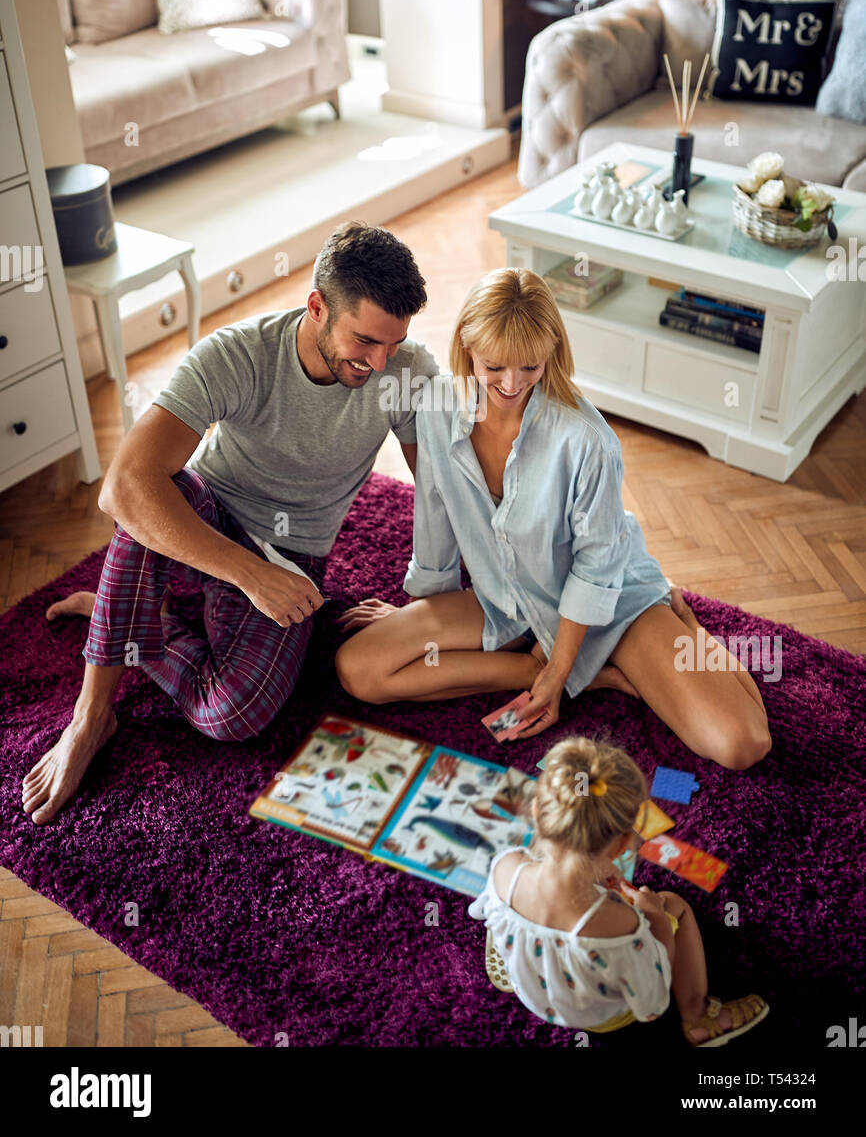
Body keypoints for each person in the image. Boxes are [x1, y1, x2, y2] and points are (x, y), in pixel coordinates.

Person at [22, 224, 437, 825]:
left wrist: (419, 611)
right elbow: (122, 487)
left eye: (393, 344)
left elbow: (440, 498)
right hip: (209, 515)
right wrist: (247, 574)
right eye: (365, 341)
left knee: (232, 714)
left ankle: (130, 614)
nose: (378, 363)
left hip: (292, 554)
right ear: (317, 306)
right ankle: (92, 717)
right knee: (150, 497)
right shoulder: (238, 353)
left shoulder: (404, 372)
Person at [335, 267, 772, 770]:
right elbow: (435, 512)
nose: (512, 383)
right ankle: (557, 670)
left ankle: (679, 627)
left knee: (741, 744)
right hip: (503, 600)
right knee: (359, 669)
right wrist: (420, 615)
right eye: (495, 366)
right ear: (466, 345)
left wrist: (561, 671)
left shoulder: (587, 439)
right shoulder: (436, 407)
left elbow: (595, 565)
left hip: (611, 608)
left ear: (551, 354)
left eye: (529, 367)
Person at [468, 735, 769, 1046]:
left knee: (519, 900)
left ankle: (511, 948)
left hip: (531, 989)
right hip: (597, 1014)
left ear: (535, 811)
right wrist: (655, 918)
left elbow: (479, 909)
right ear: (624, 846)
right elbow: (651, 1003)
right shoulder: (618, 923)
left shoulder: (506, 867)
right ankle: (697, 1016)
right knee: (675, 905)